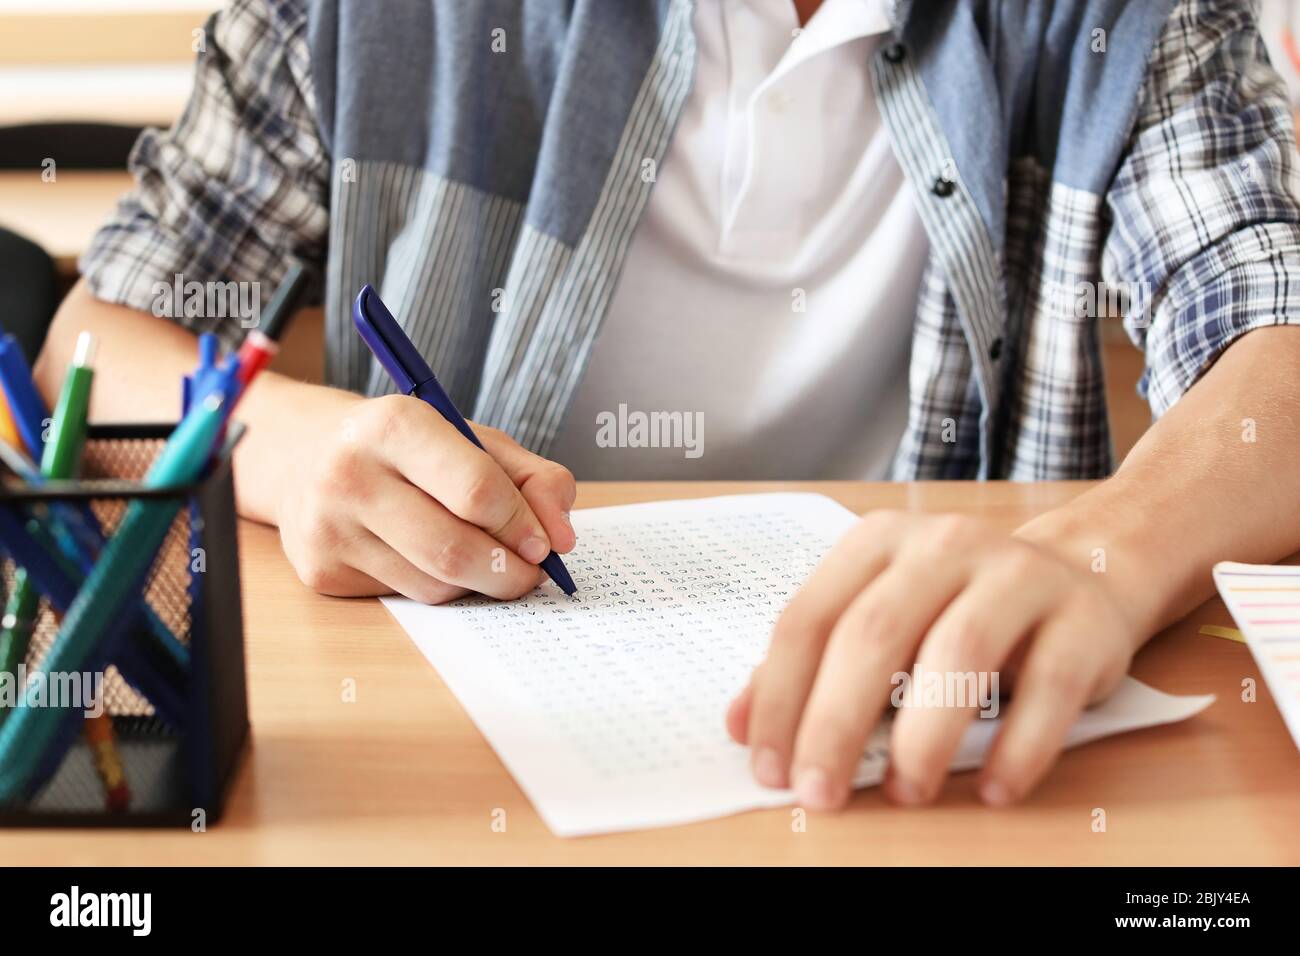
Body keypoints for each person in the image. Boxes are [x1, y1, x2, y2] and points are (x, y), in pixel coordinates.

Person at [36, 0, 1300, 810]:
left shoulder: (1132, 19)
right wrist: (296, 447)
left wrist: (1095, 559)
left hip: (932, 787)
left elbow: (1276, 338)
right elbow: (97, 338)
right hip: (465, 774)